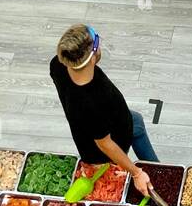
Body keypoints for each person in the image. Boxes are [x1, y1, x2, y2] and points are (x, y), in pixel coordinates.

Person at [50, 24, 155, 195]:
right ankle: (151, 173)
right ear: (92, 57)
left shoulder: (57, 65)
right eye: (96, 40)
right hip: (110, 143)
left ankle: (155, 165)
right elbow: (105, 144)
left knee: (136, 121)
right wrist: (136, 173)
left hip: (117, 120)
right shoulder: (91, 103)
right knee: (135, 128)